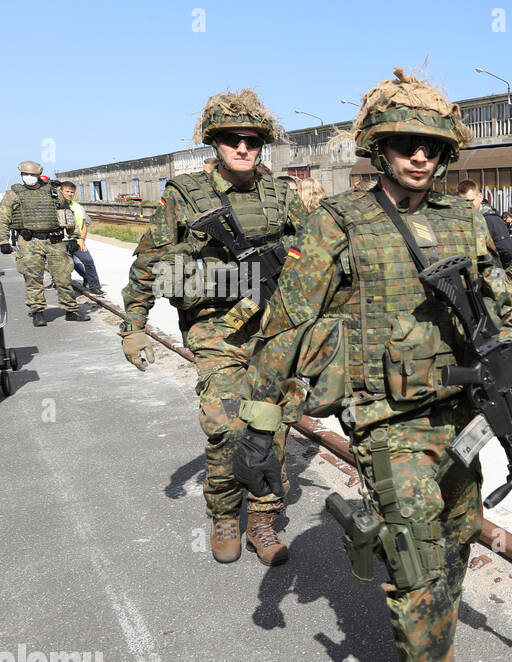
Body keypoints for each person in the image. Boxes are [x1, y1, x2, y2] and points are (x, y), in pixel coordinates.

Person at [233, 69, 512, 662]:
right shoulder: (337, 222)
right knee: (418, 559)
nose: (418, 157)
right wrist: (258, 427)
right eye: (403, 143)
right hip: (390, 423)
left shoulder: (466, 220)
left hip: (463, 416)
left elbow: (499, 304)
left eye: (430, 146)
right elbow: (289, 322)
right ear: (378, 145)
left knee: (457, 540)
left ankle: (430, 652)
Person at [119, 90, 306, 565]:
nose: (243, 149)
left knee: (273, 425)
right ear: (214, 143)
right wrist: (133, 325)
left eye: (252, 141)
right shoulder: (185, 195)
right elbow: (150, 261)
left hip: (274, 328)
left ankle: (262, 518)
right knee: (226, 427)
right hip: (214, 328)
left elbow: (314, 259)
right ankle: (225, 513)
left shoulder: (283, 196)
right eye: (231, 139)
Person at [0, 160, 80, 325]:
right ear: (21, 175)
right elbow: (3, 218)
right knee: (32, 278)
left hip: (54, 240)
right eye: (26, 174)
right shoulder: (13, 194)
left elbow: (67, 213)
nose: (29, 177)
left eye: (32, 175)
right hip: (29, 241)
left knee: (64, 276)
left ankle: (71, 310)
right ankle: (37, 312)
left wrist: (73, 237)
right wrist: (3, 240)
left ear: (38, 175)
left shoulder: (52, 192)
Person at [458, 179, 512, 273]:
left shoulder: (491, 220)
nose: (467, 205)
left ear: (480, 196)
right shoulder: (460, 220)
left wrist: (494, 271)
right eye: (463, 201)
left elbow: (507, 252)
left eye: (471, 200)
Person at [59, 181, 105, 296]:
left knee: (88, 261)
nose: (69, 194)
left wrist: (82, 240)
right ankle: (64, 290)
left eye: (72, 192)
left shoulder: (78, 207)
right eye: (67, 191)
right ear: (61, 191)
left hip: (76, 240)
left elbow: (84, 225)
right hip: (59, 242)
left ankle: (94, 286)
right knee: (64, 266)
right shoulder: (53, 206)